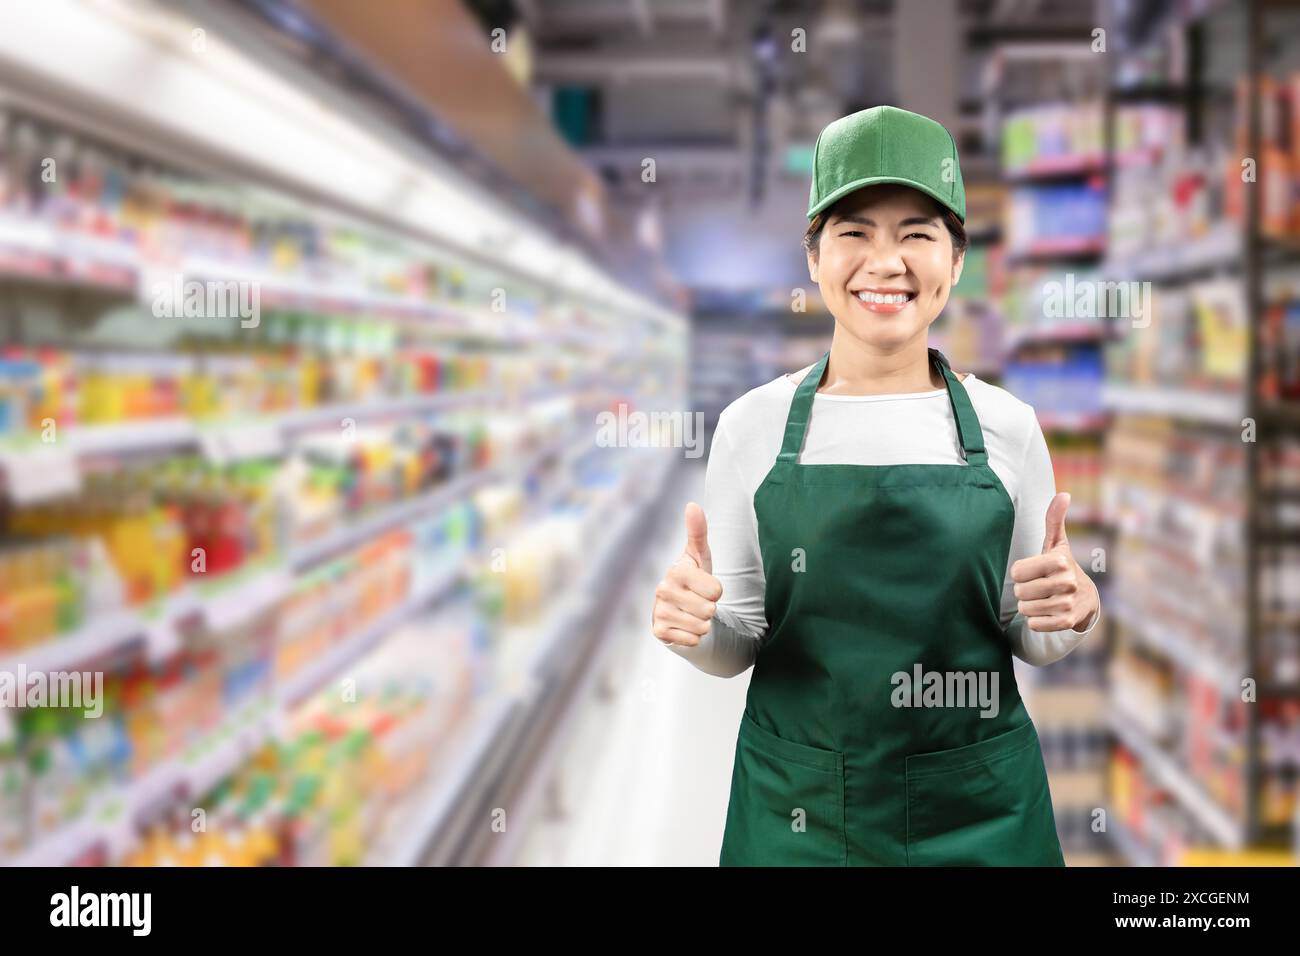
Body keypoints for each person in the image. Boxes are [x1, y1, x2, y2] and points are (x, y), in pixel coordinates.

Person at [651, 105, 1102, 866]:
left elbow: (1030, 633)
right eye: (854, 232)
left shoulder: (1008, 428)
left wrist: (1074, 611)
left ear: (956, 261)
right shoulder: (751, 429)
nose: (884, 263)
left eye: (917, 235)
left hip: (979, 809)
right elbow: (739, 647)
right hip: (801, 812)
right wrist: (696, 633)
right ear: (814, 256)